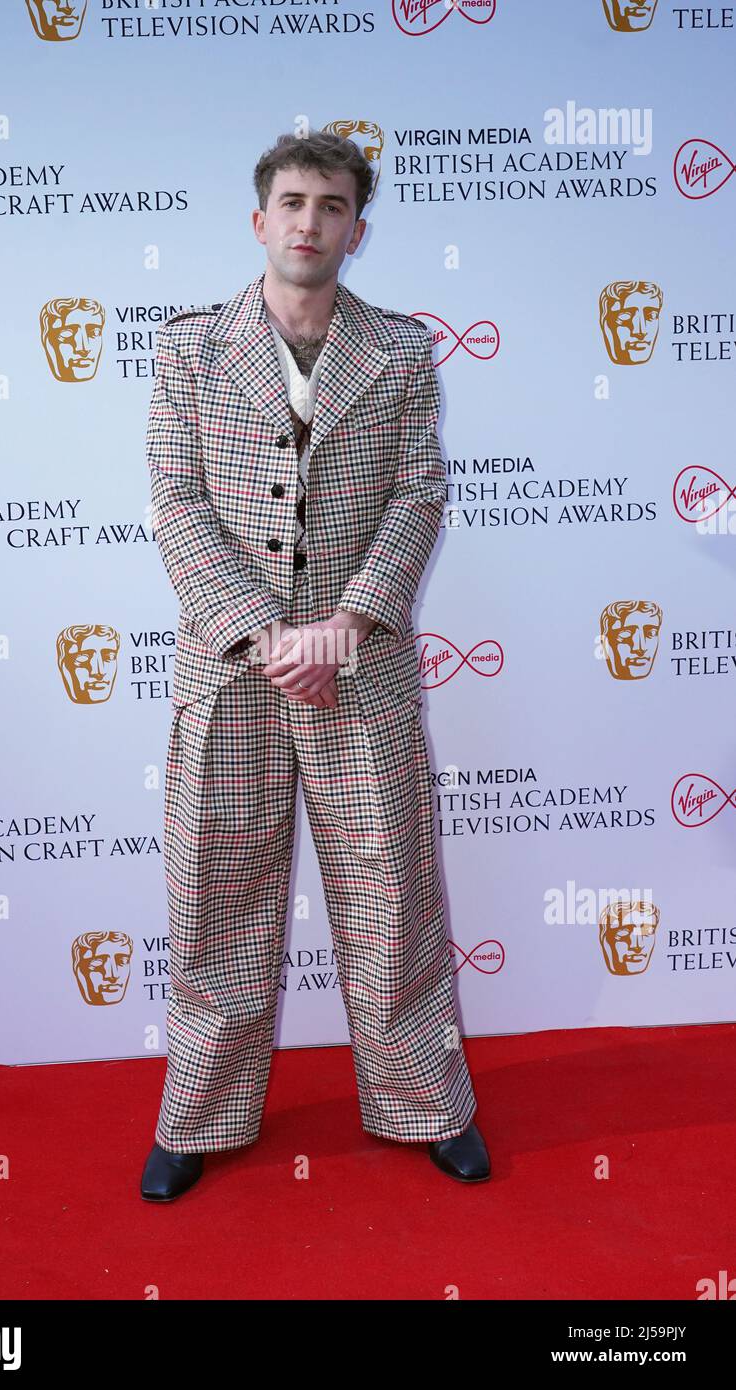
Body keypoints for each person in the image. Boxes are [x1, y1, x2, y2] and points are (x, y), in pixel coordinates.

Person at [141, 130, 489, 1202]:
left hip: (361, 668)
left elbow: (415, 496)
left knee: (391, 895)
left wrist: (342, 623)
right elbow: (175, 501)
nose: (307, 222)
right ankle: (197, 1114)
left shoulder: (397, 351)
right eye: (290, 202)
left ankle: (424, 1102)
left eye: (329, 206)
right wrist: (259, 630)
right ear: (259, 220)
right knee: (215, 898)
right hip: (231, 674)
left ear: (355, 228)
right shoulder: (188, 349)